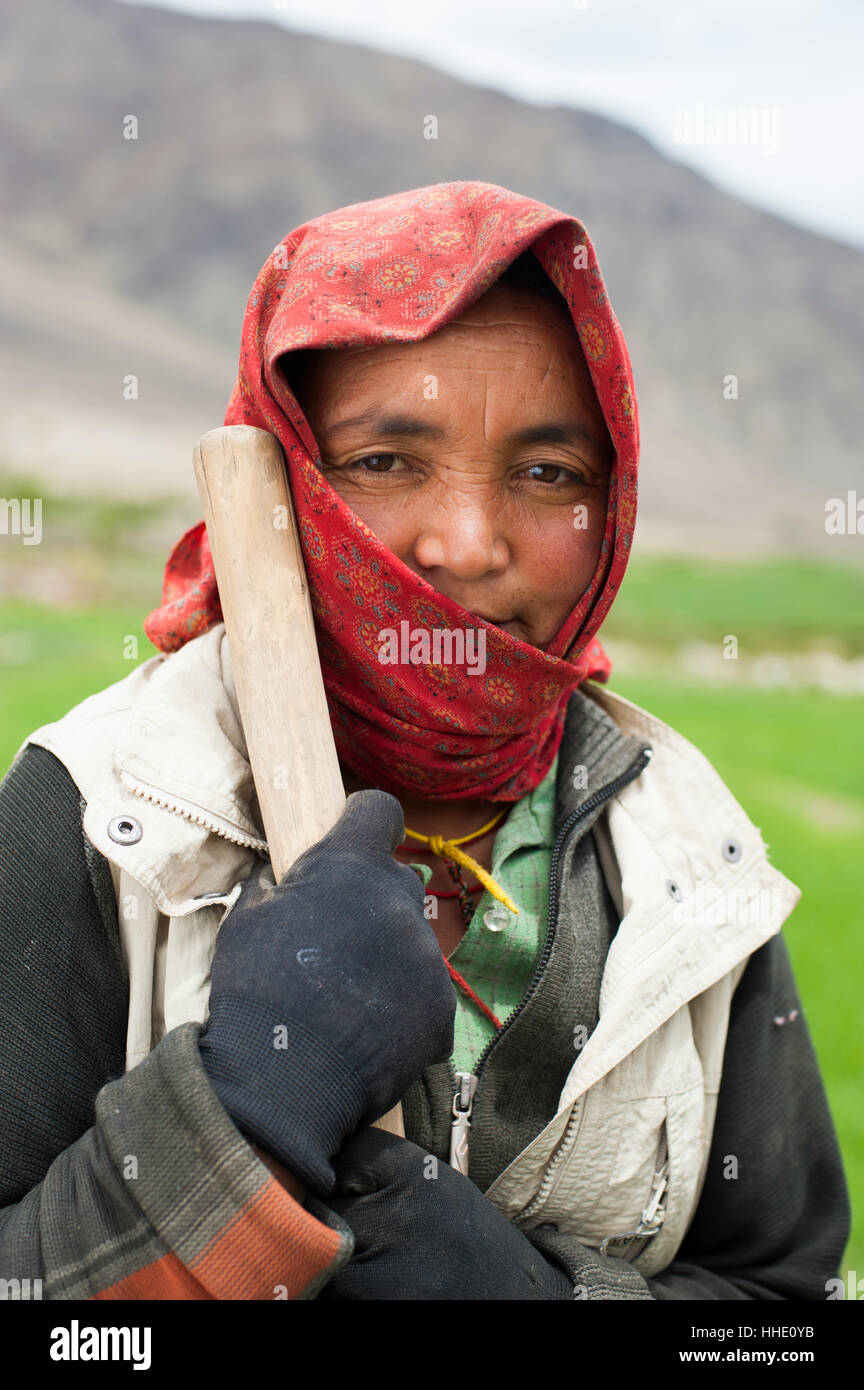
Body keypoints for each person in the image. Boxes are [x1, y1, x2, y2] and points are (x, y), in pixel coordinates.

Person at [0, 181, 850, 1300]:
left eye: (549, 475)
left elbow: (782, 1304)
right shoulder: (101, 815)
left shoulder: (693, 862)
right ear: (289, 476)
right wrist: (244, 1109)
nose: (467, 542)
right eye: (386, 461)